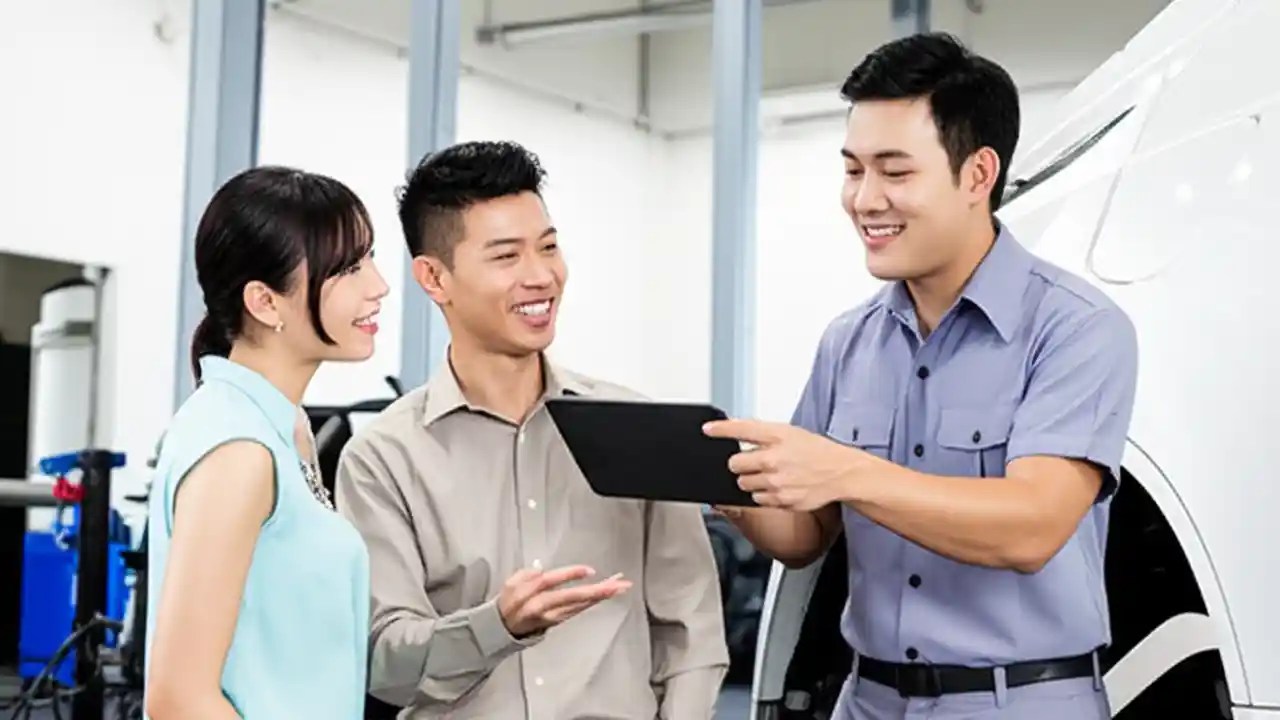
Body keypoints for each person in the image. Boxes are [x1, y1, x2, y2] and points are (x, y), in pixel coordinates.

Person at [704, 32, 1139, 720]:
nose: (865, 199)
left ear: (977, 175)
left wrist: (845, 472)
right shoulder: (849, 341)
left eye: (894, 172)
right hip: (867, 701)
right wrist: (718, 483)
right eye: (853, 170)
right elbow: (806, 537)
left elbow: (1031, 527)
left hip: (1019, 704)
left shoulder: (1077, 328)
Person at [334, 140, 729, 719]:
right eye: (506, 256)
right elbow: (385, 665)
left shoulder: (641, 427)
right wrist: (496, 626)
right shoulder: (383, 457)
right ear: (434, 279)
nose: (541, 276)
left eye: (548, 247)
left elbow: (691, 634)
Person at [144, 166, 390, 720]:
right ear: (265, 301)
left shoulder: (282, 426)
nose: (378, 285)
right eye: (349, 267)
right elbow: (179, 698)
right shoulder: (239, 448)